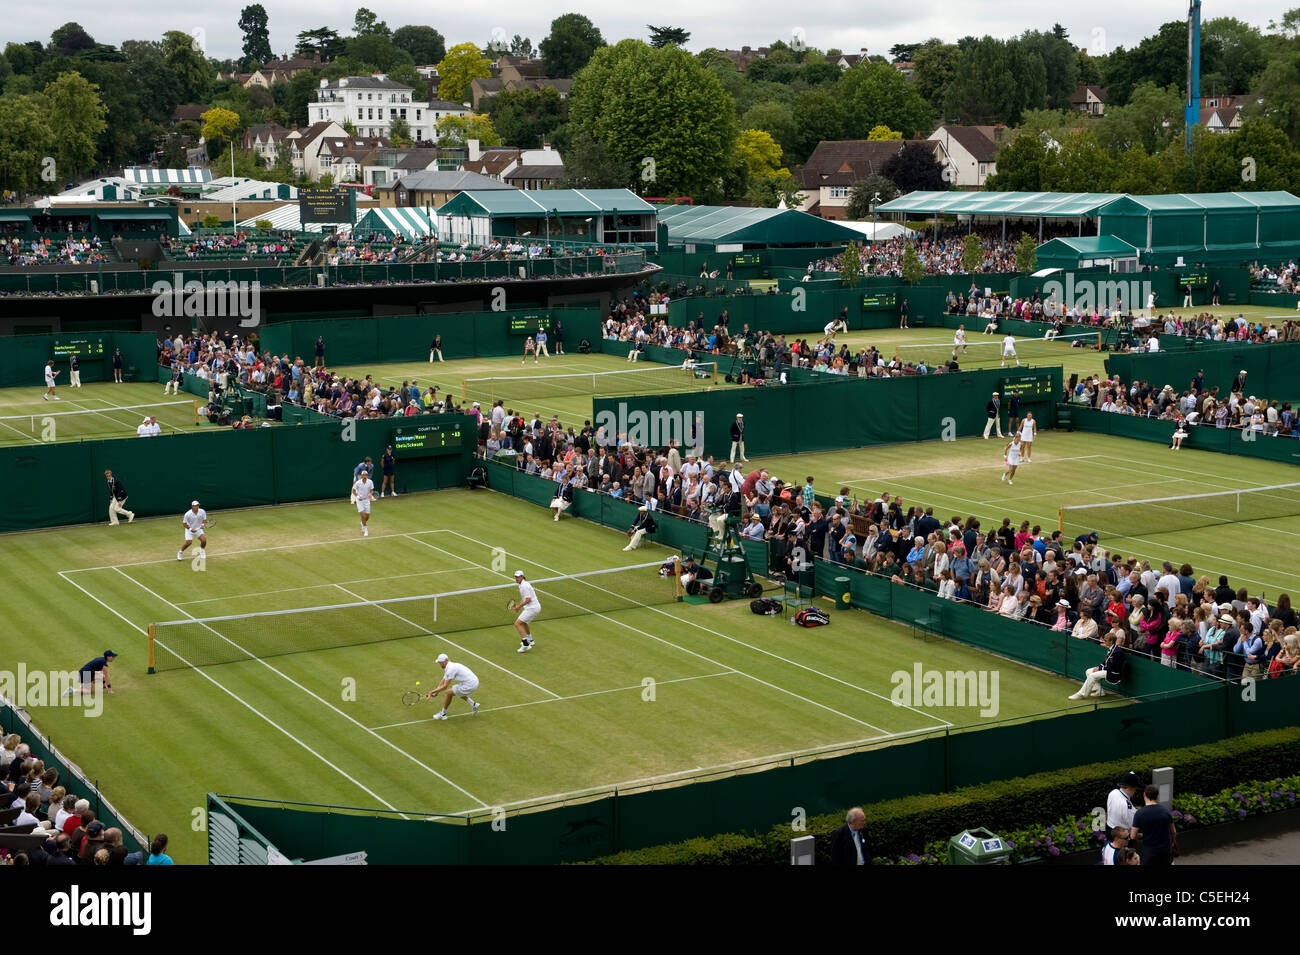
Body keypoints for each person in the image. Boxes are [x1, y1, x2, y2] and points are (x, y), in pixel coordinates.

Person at [1131, 784, 1176, 866]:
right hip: (1165, 852)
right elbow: (1173, 831)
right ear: (1157, 796)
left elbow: (1133, 836)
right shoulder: (1166, 811)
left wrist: (1142, 835)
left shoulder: (1139, 813)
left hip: (1149, 853)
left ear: (1144, 794)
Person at [427, 653, 480, 720]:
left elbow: (445, 686)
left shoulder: (451, 669)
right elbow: (444, 680)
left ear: (445, 661)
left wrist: (431, 692)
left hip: (470, 684)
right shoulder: (449, 666)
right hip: (473, 681)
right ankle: (473, 704)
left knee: (448, 693)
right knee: (455, 690)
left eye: (440, 662)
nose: (439, 664)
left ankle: (443, 714)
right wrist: (436, 691)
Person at [510, 570, 541, 652]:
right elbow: (524, 598)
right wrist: (519, 607)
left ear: (522, 577)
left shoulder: (524, 586)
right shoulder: (522, 584)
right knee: (524, 623)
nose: (517, 578)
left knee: (517, 623)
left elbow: (528, 599)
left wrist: (518, 607)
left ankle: (526, 644)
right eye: (516, 577)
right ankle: (530, 640)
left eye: (518, 577)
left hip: (532, 608)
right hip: (534, 607)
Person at [1105, 770, 1142, 837]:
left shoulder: (1113, 792)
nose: (1135, 791)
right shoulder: (1127, 805)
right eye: (1135, 789)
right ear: (1130, 788)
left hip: (1109, 829)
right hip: (1121, 836)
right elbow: (1133, 825)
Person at [353, 468, 374, 537]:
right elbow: (353, 491)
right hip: (359, 501)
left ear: (367, 475)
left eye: (366, 475)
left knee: (367, 516)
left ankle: (362, 523)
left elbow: (371, 490)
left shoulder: (370, 482)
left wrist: (370, 495)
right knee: (363, 515)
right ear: (361, 476)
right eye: (363, 475)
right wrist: (357, 496)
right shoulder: (358, 483)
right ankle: (365, 529)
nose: (364, 476)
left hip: (367, 500)